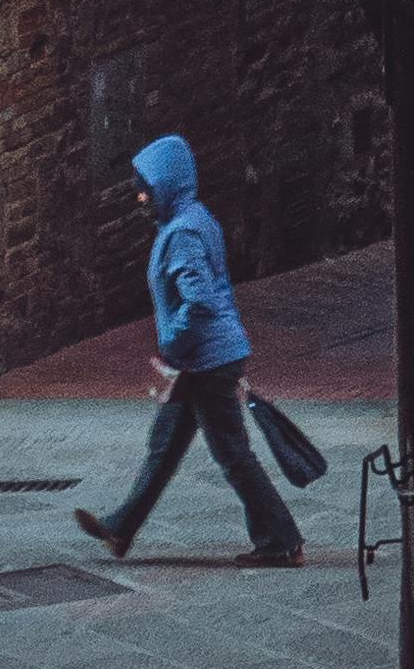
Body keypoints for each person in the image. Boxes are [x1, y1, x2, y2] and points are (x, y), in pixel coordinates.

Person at [77, 134, 304, 566]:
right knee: (165, 444)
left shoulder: (181, 234)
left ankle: (282, 540)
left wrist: (172, 344)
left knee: (233, 454)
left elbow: (198, 301)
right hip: (203, 357)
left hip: (208, 360)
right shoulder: (195, 220)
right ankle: (121, 527)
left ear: (167, 185)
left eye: (147, 187)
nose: (141, 197)